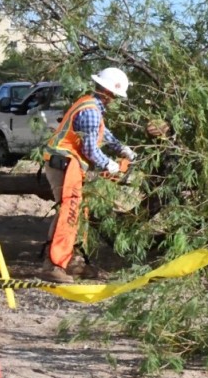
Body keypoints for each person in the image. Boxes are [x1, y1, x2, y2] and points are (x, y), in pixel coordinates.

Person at [40, 67, 137, 282]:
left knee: (78, 211)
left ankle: (73, 262)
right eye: (114, 96)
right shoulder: (91, 111)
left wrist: (122, 148)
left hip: (70, 164)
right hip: (63, 164)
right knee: (69, 211)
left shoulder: (92, 107)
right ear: (108, 92)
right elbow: (90, 150)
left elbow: (104, 134)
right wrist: (109, 164)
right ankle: (53, 264)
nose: (114, 100)